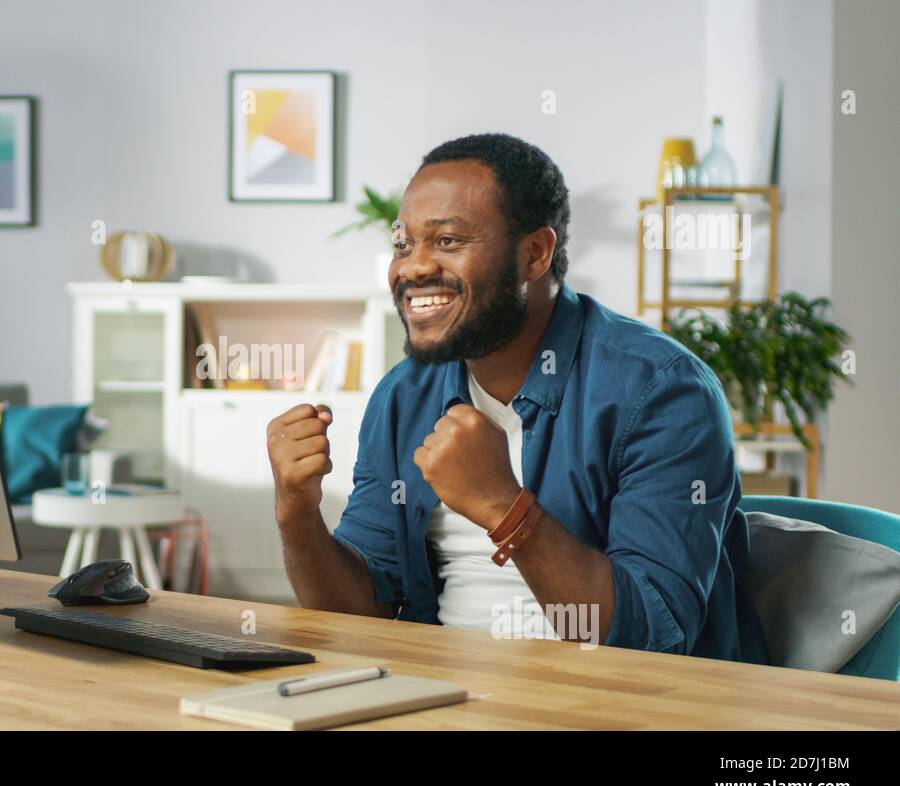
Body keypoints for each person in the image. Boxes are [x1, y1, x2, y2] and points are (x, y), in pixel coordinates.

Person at [267, 133, 767, 662]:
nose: (412, 268)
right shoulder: (404, 394)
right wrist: (297, 514)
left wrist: (504, 508)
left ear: (535, 253)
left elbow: (651, 637)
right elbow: (361, 611)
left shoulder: (663, 391)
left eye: (448, 241)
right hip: (442, 699)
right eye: (403, 243)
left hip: (620, 707)